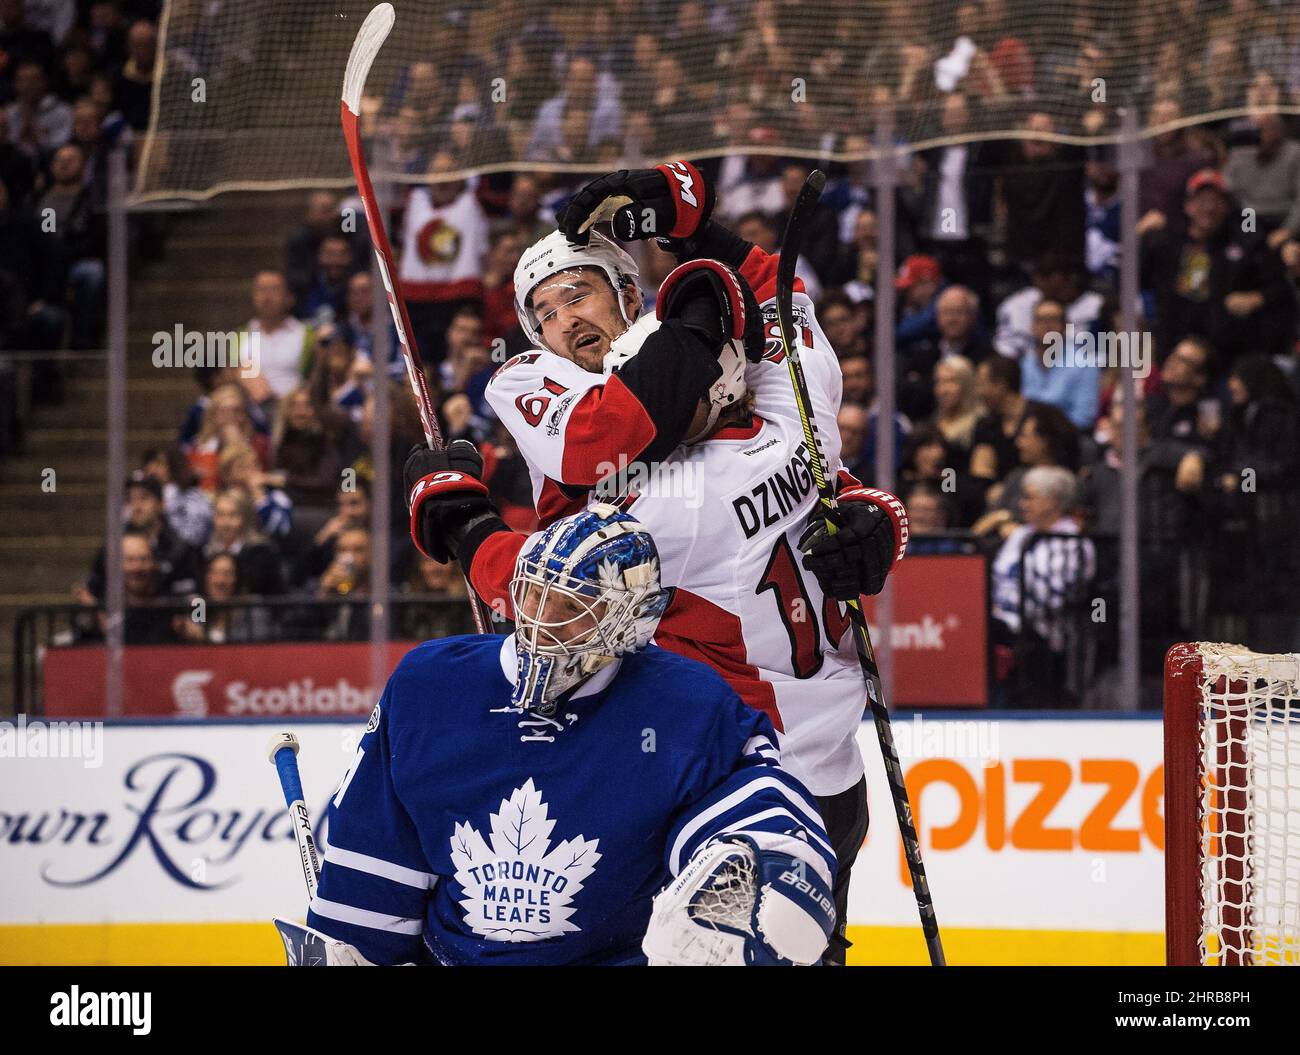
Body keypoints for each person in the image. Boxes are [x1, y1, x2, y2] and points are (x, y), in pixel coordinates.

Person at [402, 160, 907, 962]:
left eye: (578, 293)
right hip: (788, 755)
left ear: (629, 296)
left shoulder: (662, 500)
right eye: (544, 310)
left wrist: (465, 528)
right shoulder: (784, 412)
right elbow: (779, 321)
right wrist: (693, 230)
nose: (562, 318)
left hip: (737, 758)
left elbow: (553, 580)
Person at [291, 507, 836, 966]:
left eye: (570, 607)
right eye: (533, 596)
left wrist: (753, 874)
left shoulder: (683, 703)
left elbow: (768, 822)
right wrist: (349, 945)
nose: (540, 622)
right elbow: (374, 855)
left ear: (627, 621)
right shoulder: (430, 685)